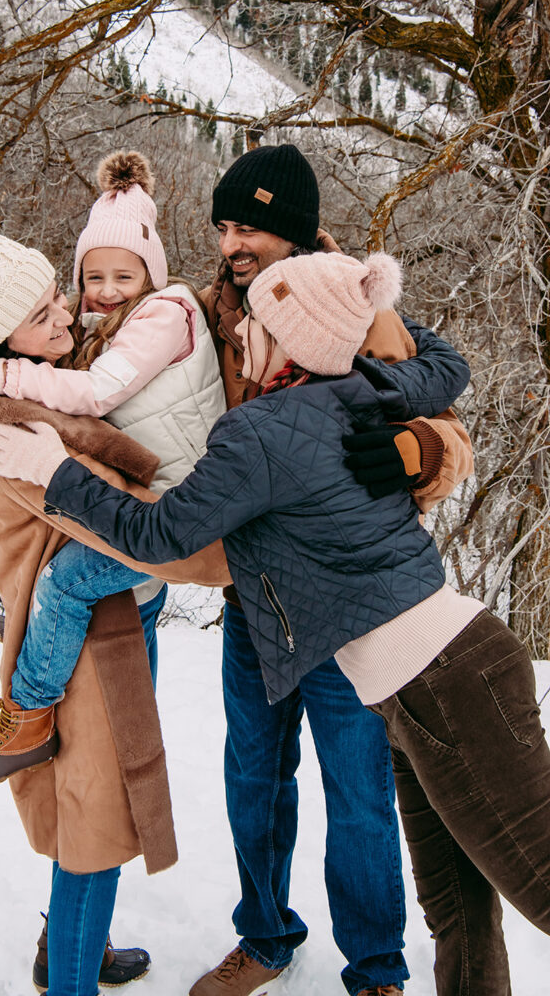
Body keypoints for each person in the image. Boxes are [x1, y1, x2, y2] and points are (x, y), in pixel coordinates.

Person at [0, 248, 550, 996]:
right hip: (426, 683)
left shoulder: (262, 431)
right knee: (456, 905)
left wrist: (57, 472)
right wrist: (355, 296)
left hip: (448, 680)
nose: (241, 339)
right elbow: (442, 363)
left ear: (293, 338)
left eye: (258, 328)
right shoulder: (367, 385)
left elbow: (160, 535)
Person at [0, 207, 230, 996]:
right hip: (85, 644)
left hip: (104, 623)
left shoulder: (26, 374)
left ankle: (70, 950)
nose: (69, 314)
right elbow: (136, 527)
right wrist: (225, 552)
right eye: (44, 313)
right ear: (5, 337)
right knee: (95, 823)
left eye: (58, 296)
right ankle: (71, 979)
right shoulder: (13, 423)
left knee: (91, 800)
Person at [195, 143, 475, 996]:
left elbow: (446, 402)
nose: (233, 244)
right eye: (225, 226)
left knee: (359, 791)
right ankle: (266, 936)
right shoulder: (205, 314)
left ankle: (377, 969)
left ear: (294, 234)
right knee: (253, 775)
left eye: (251, 228)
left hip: (348, 604)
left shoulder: (346, 303)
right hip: (252, 597)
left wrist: (415, 447)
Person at [0, 151, 225, 784]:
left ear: (151, 273)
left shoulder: (163, 314)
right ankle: (49, 665)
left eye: (125, 274)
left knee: (64, 584)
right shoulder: (97, 318)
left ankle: (27, 714)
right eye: (93, 277)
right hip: (141, 506)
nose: (103, 291)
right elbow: (5, 325)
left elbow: (94, 393)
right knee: (107, 668)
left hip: (177, 511)